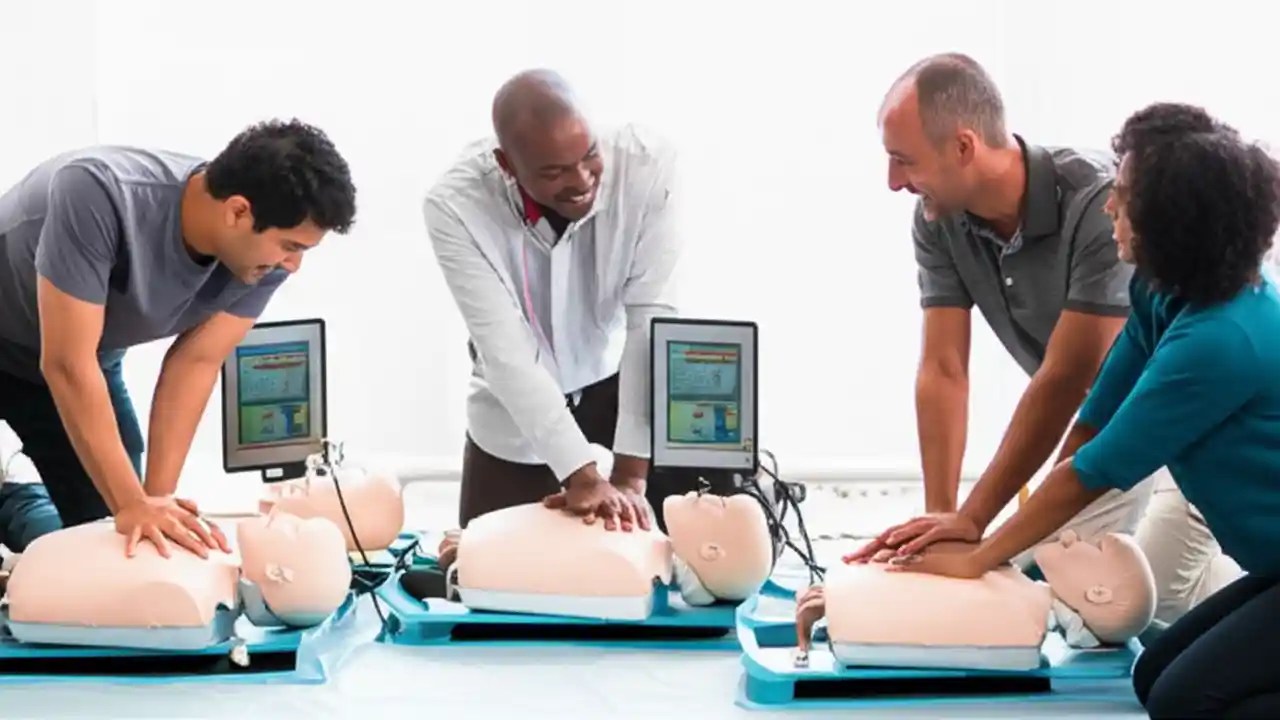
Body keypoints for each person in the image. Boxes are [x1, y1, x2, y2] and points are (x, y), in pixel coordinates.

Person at [884, 102, 1280, 719]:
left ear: (1172, 217)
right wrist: (972, 523)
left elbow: (1096, 469)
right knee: (1153, 673)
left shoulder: (1222, 337)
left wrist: (981, 558)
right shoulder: (1158, 291)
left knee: (1184, 701)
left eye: (1123, 194)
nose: (1107, 206)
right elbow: (1093, 416)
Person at [845, 52, 1155, 573]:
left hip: (1173, 421)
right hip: (1102, 423)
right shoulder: (937, 218)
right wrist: (940, 522)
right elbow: (944, 370)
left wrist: (975, 519)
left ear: (963, 146)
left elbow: (1066, 379)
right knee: (1035, 567)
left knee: (1086, 592)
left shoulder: (1100, 203)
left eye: (905, 159)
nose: (893, 181)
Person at [0, 119, 357, 558]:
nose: (293, 265)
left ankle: (14, 501)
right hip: (49, 347)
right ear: (238, 211)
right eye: (291, 246)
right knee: (123, 504)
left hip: (88, 356)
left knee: (111, 537)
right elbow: (67, 363)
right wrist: (132, 503)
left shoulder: (261, 259)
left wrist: (154, 505)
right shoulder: (98, 191)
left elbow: (196, 362)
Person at [424, 69, 681, 532]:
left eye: (589, 156)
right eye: (553, 172)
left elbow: (649, 320)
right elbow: (506, 353)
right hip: (515, 399)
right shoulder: (455, 206)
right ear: (507, 165)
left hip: (616, 380)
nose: (582, 179)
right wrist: (581, 475)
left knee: (690, 539)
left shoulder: (647, 166)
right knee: (486, 564)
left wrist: (629, 478)